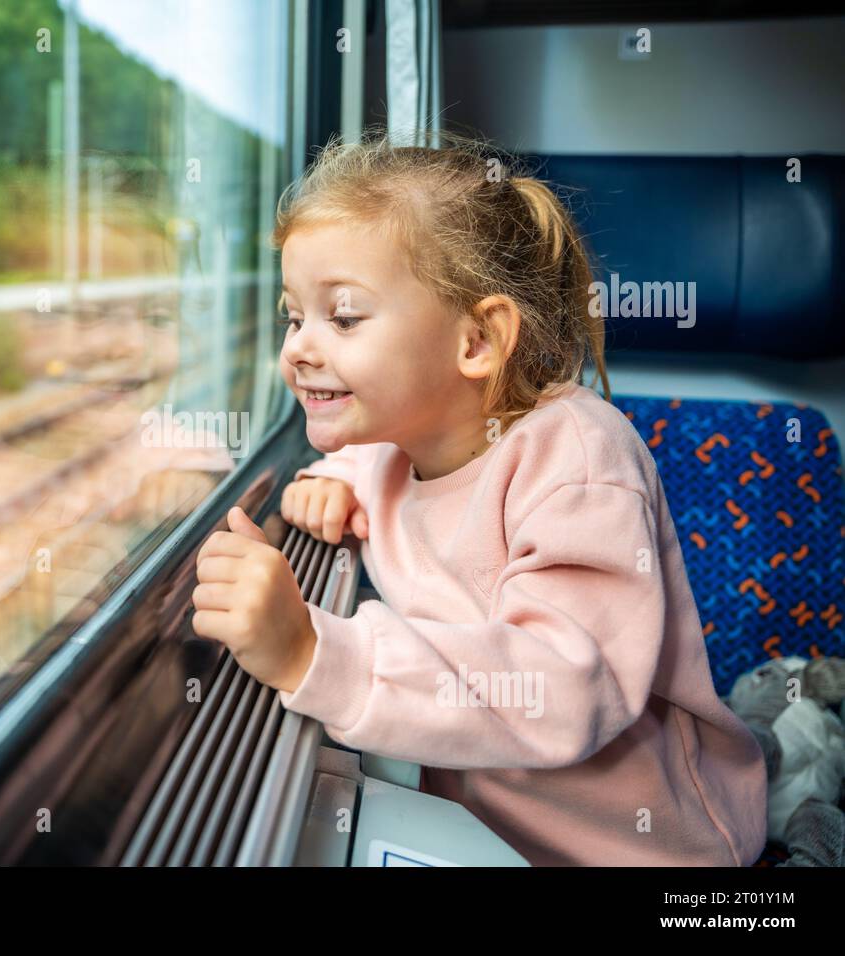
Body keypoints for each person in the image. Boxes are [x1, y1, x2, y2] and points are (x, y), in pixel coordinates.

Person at [190, 128, 768, 866]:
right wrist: (328, 481)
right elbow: (365, 465)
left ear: (477, 341)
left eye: (342, 316)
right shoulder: (400, 439)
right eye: (292, 315)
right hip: (488, 830)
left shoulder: (579, 461)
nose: (299, 346)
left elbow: (561, 688)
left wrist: (314, 652)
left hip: (639, 848)